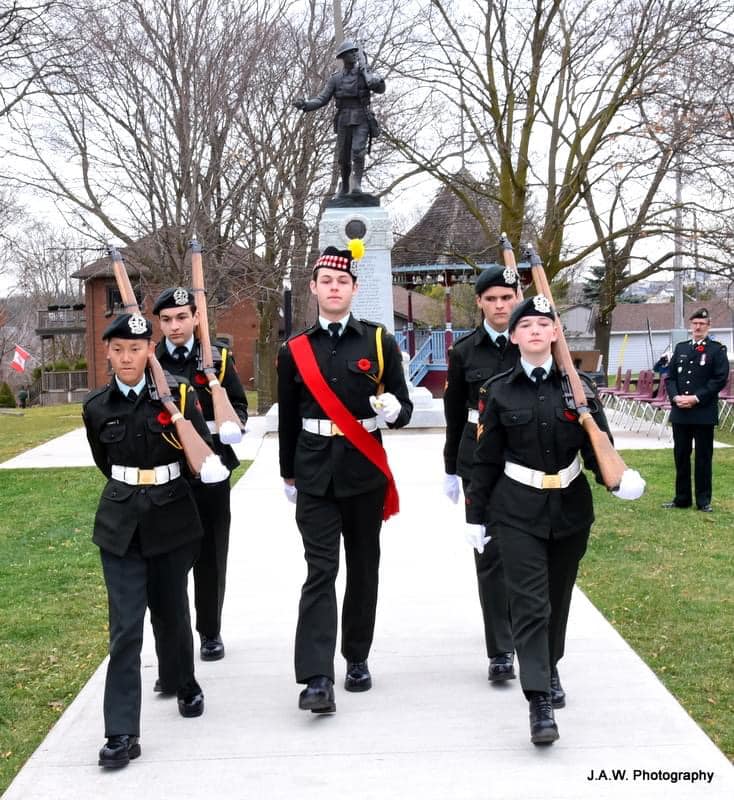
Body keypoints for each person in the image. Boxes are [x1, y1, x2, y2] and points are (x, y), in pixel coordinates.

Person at [467, 296, 615, 745]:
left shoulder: (580, 387)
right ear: (513, 336)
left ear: (555, 334)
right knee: (530, 605)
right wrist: (477, 516)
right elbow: (485, 460)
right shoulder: (497, 390)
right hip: (516, 512)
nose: (534, 330)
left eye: (543, 324)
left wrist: (618, 480)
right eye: (525, 324)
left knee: (557, 600)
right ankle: (539, 702)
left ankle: (549, 667)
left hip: (569, 510)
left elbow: (597, 448)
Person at [277, 245, 412, 714]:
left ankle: (356, 658)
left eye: (343, 282)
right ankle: (316, 676)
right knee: (321, 572)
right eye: (326, 282)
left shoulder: (379, 342)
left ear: (354, 289)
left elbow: (403, 405)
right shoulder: (294, 350)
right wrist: (288, 474)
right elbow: (290, 418)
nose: (334, 289)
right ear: (314, 288)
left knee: (363, 569)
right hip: (314, 473)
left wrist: (395, 411)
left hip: (362, 472)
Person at [82, 313, 211, 769]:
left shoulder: (176, 394)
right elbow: (105, 461)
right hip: (120, 525)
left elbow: (199, 447)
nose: (125, 358)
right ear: (108, 353)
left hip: (172, 516)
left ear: (148, 350)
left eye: (134, 349)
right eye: (117, 350)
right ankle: (121, 732)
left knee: (173, 612)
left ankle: (184, 680)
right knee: (125, 630)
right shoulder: (97, 406)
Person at [152, 287, 248, 663]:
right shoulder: (150, 359)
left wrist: (231, 424)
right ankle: (173, 639)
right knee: (171, 557)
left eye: (181, 317)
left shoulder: (217, 358)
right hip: (170, 467)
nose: (174, 326)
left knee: (211, 554)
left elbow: (237, 405)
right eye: (166, 320)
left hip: (213, 469)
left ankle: (210, 632)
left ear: (195, 318)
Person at [442, 265, 520, 684]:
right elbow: (455, 417)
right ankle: (500, 650)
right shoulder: (465, 352)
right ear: (479, 304)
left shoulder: (532, 341)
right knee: (489, 556)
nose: (500, 306)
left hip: (524, 458)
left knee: (523, 556)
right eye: (491, 299)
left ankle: (526, 637)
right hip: (478, 460)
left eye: (506, 298)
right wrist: (450, 468)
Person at [293, 40, 385, 195]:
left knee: (358, 151)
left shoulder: (365, 73)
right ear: (343, 57)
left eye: (356, 52)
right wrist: (305, 105)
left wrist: (377, 81)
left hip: (362, 116)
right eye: (351, 52)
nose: (355, 54)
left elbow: (380, 89)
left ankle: (357, 184)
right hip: (343, 118)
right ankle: (345, 185)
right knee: (343, 158)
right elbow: (322, 99)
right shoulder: (335, 79)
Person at [662, 308, 728, 513]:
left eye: (702, 324)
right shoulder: (681, 348)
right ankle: (682, 498)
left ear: (709, 326)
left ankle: (703, 501)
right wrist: (675, 397)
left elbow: (719, 379)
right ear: (690, 326)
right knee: (681, 455)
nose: (697, 327)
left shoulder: (716, 350)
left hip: (703, 412)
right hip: (681, 411)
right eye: (694, 323)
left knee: (703, 457)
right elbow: (670, 377)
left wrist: (696, 398)